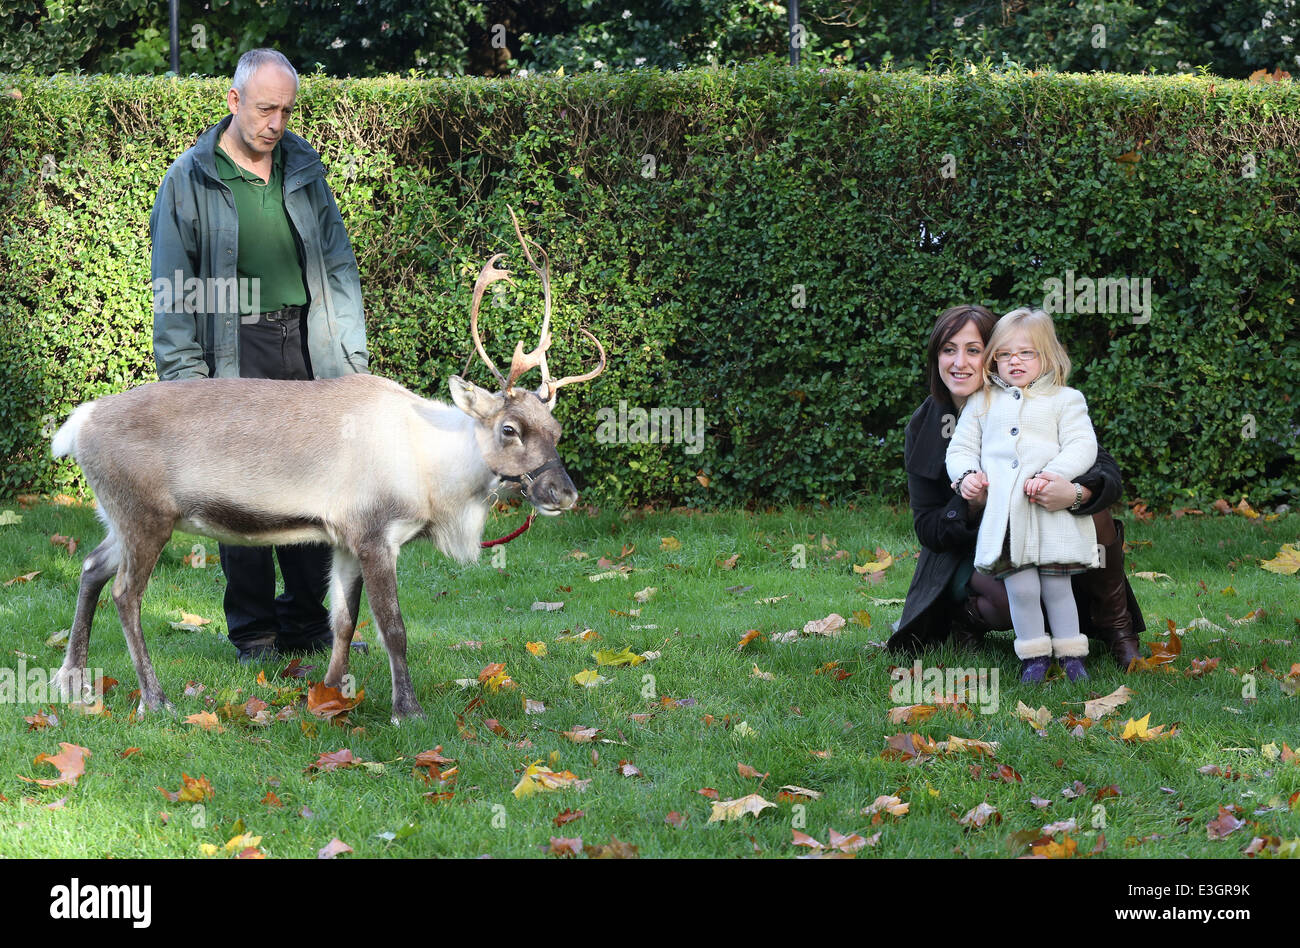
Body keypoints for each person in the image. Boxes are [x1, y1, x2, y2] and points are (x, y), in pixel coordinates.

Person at [150, 48, 369, 664]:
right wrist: (188, 390)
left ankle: (307, 626)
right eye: (266, 108)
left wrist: (350, 367)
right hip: (232, 351)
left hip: (305, 346)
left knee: (312, 490)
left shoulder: (303, 169)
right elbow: (173, 292)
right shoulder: (190, 179)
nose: (276, 123)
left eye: (286, 110)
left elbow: (338, 270)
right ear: (234, 101)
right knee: (238, 490)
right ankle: (255, 635)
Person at [887, 304, 1144, 670]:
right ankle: (966, 618)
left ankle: (1118, 631)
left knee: (1094, 507)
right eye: (948, 349)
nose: (959, 362)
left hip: (1041, 527)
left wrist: (1072, 494)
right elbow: (927, 527)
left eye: (973, 350)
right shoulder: (926, 424)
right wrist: (971, 504)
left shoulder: (1048, 400)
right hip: (965, 550)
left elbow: (1104, 471)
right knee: (1023, 594)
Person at [945, 308, 1099, 682]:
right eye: (1004, 354)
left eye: (1026, 353)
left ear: (1047, 356)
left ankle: (1071, 654)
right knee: (1023, 588)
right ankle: (1033, 654)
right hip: (1008, 519)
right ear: (994, 357)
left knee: (1058, 587)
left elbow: (1083, 445)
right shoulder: (982, 402)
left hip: (1049, 515)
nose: (1015, 361)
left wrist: (1055, 474)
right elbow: (961, 448)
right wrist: (966, 476)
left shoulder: (1066, 399)